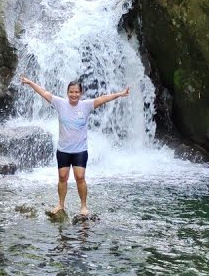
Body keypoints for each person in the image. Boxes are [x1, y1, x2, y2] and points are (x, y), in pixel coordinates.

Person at [20, 76, 130, 217]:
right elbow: (43, 92)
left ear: (81, 93)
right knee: (62, 177)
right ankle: (60, 204)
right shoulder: (60, 103)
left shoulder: (86, 105)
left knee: (80, 177)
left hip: (80, 150)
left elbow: (104, 98)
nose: (74, 95)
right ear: (67, 93)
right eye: (71, 92)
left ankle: (83, 206)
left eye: (77, 92)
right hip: (63, 149)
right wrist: (30, 82)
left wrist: (120, 94)